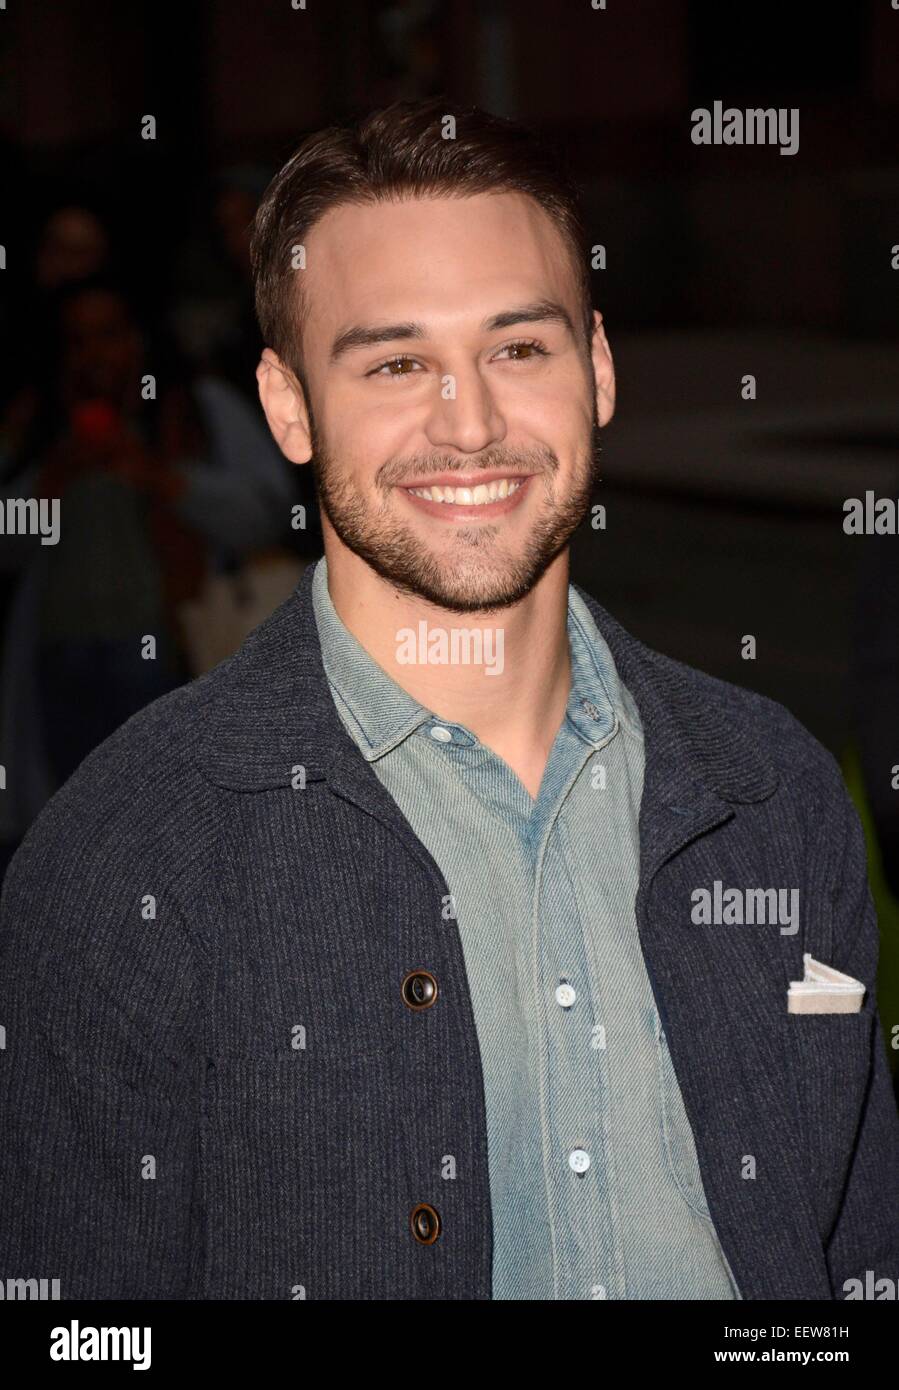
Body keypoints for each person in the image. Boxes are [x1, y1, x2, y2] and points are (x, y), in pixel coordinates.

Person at [0, 97, 896, 1302]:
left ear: (596, 369)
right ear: (287, 407)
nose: (467, 423)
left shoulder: (771, 792)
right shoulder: (122, 861)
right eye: (396, 362)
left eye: (516, 348)